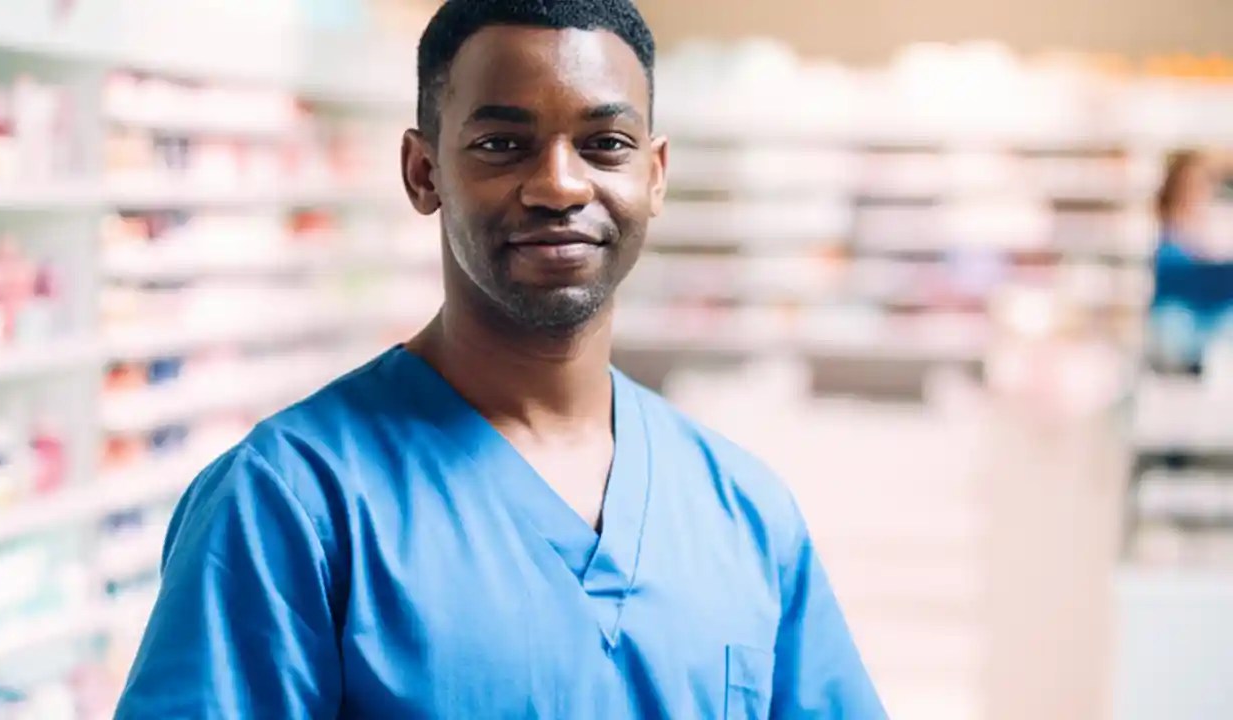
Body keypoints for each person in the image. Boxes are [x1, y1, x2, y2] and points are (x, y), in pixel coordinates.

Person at [113, 1, 884, 718]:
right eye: (502, 145)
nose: (558, 183)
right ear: (424, 174)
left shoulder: (745, 513)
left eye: (604, 144)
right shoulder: (291, 504)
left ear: (654, 176)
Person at [1150, 151, 1233, 372]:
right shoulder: (1163, 231)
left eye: (1200, 185)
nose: (1195, 193)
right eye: (1188, 185)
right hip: (1178, 326)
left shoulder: (1219, 224)